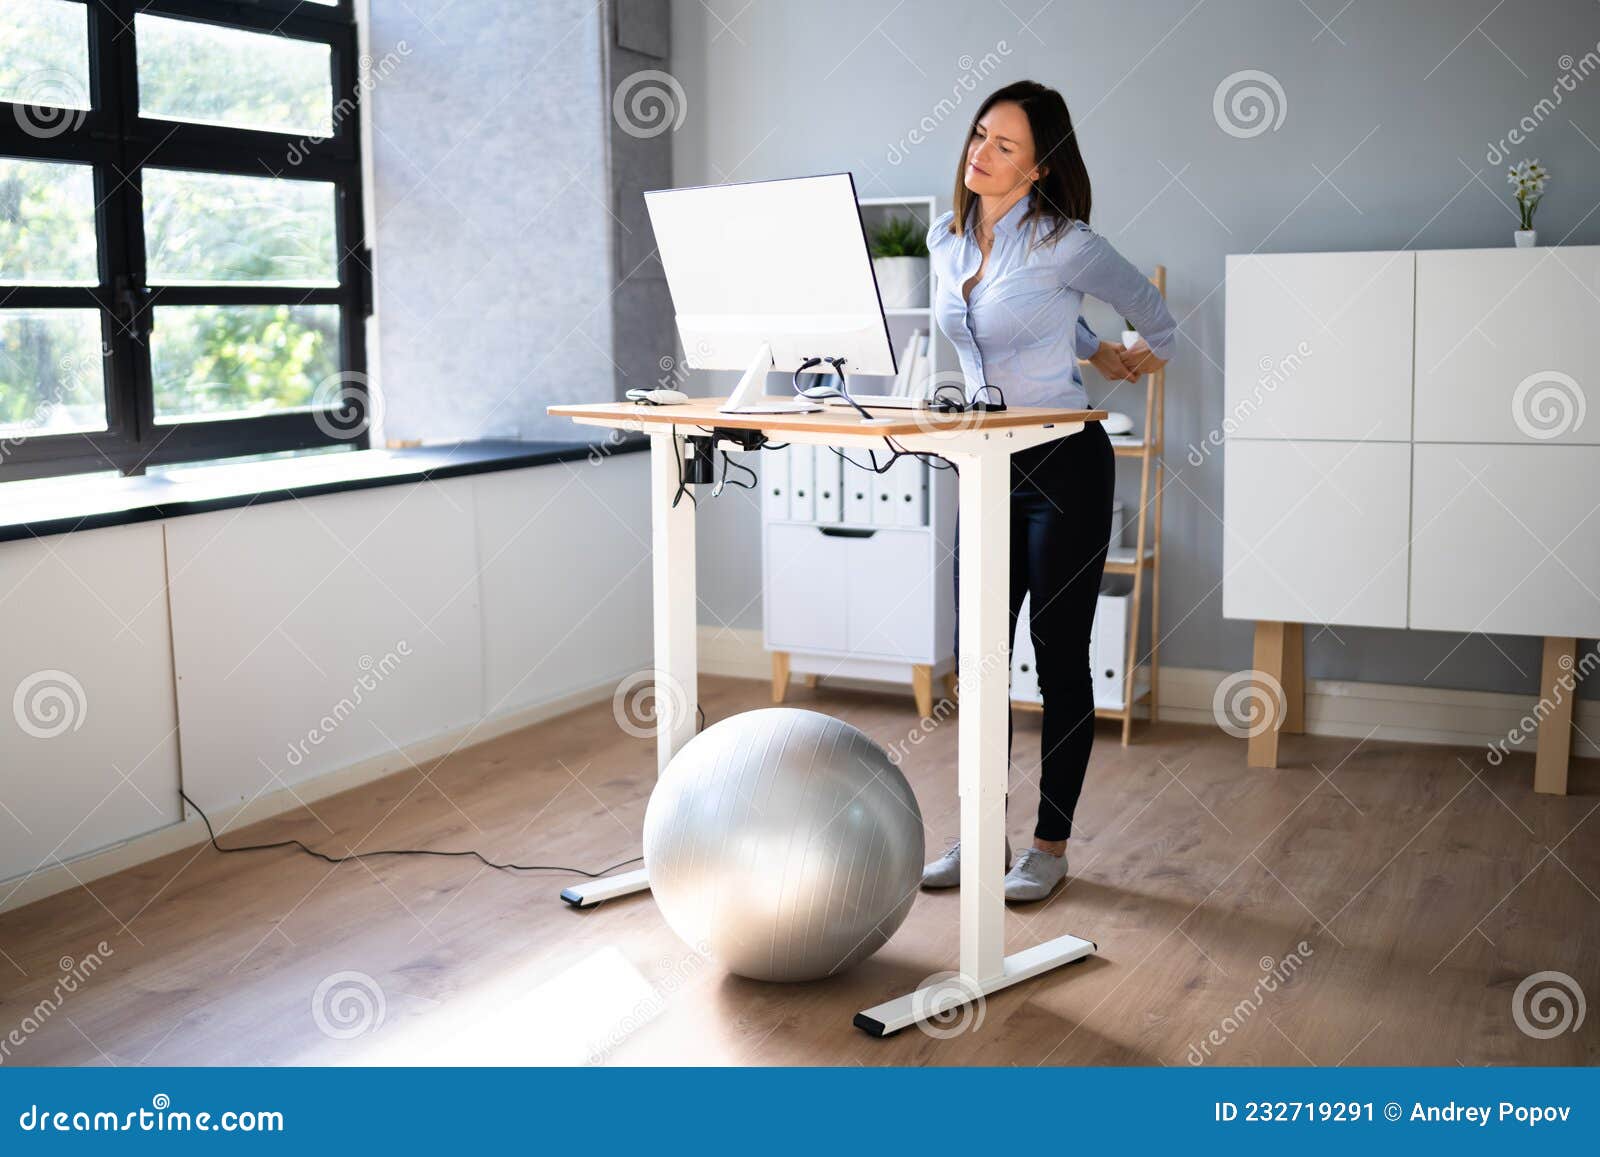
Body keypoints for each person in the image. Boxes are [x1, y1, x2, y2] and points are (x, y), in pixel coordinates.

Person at [920, 79, 1177, 902]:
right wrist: (1089, 343)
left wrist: (1134, 349)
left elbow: (1155, 311)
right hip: (988, 466)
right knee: (981, 660)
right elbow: (1021, 318)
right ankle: (978, 835)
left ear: (1037, 170)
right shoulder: (945, 240)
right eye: (978, 135)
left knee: (1061, 659)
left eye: (1004, 146)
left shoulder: (1068, 241)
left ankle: (1050, 845)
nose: (980, 153)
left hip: (1065, 463)